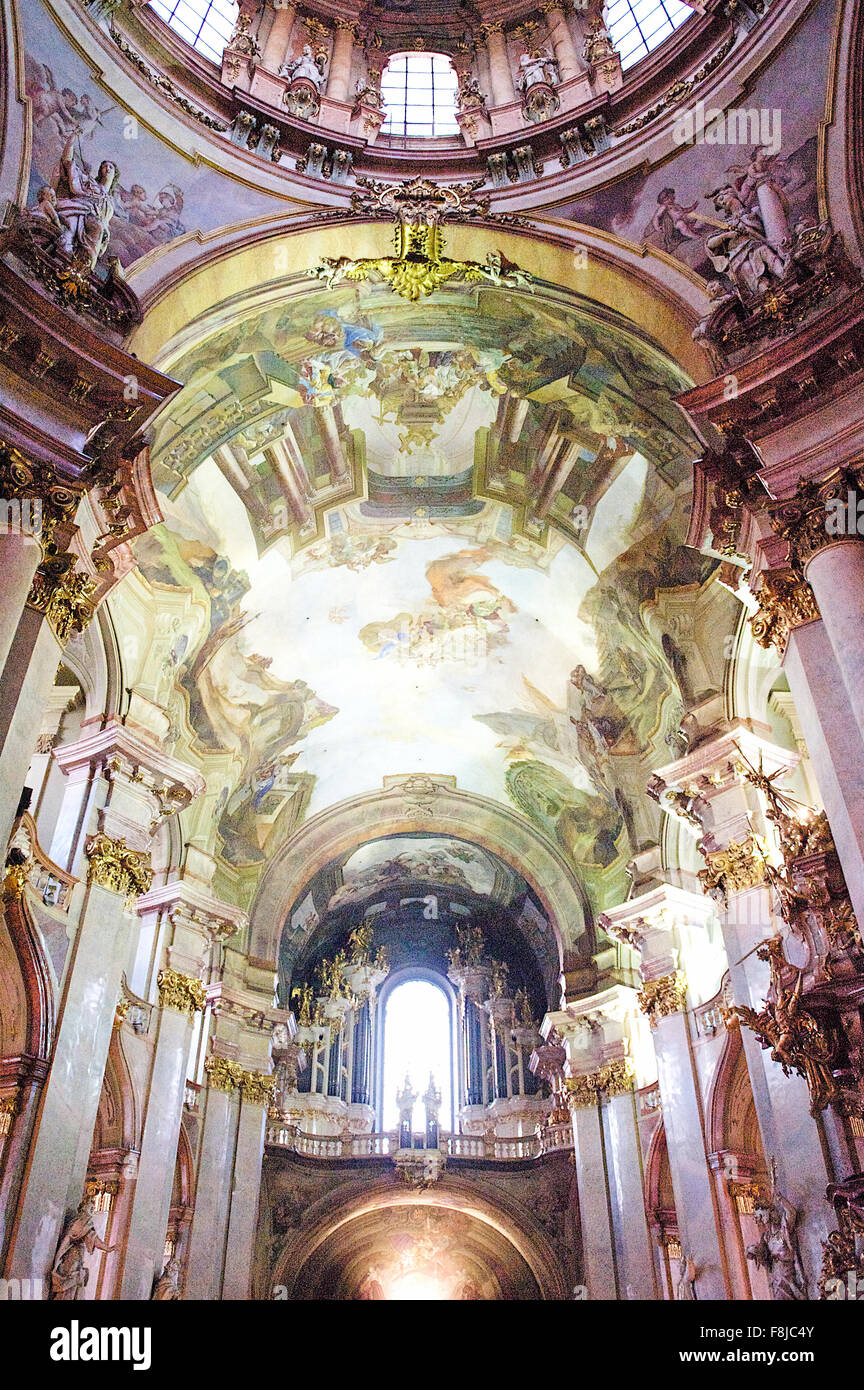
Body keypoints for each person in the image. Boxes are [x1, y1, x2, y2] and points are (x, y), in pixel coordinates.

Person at [53, 130, 118, 268]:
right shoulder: (89, 182)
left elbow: (104, 221)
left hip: (95, 224)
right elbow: (67, 162)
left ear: (114, 174)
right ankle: (63, 255)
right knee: (69, 229)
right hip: (78, 209)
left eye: (110, 167)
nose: (107, 168)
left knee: (98, 230)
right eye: (104, 166)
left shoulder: (110, 202)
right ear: (100, 171)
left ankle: (85, 268)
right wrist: (71, 141)